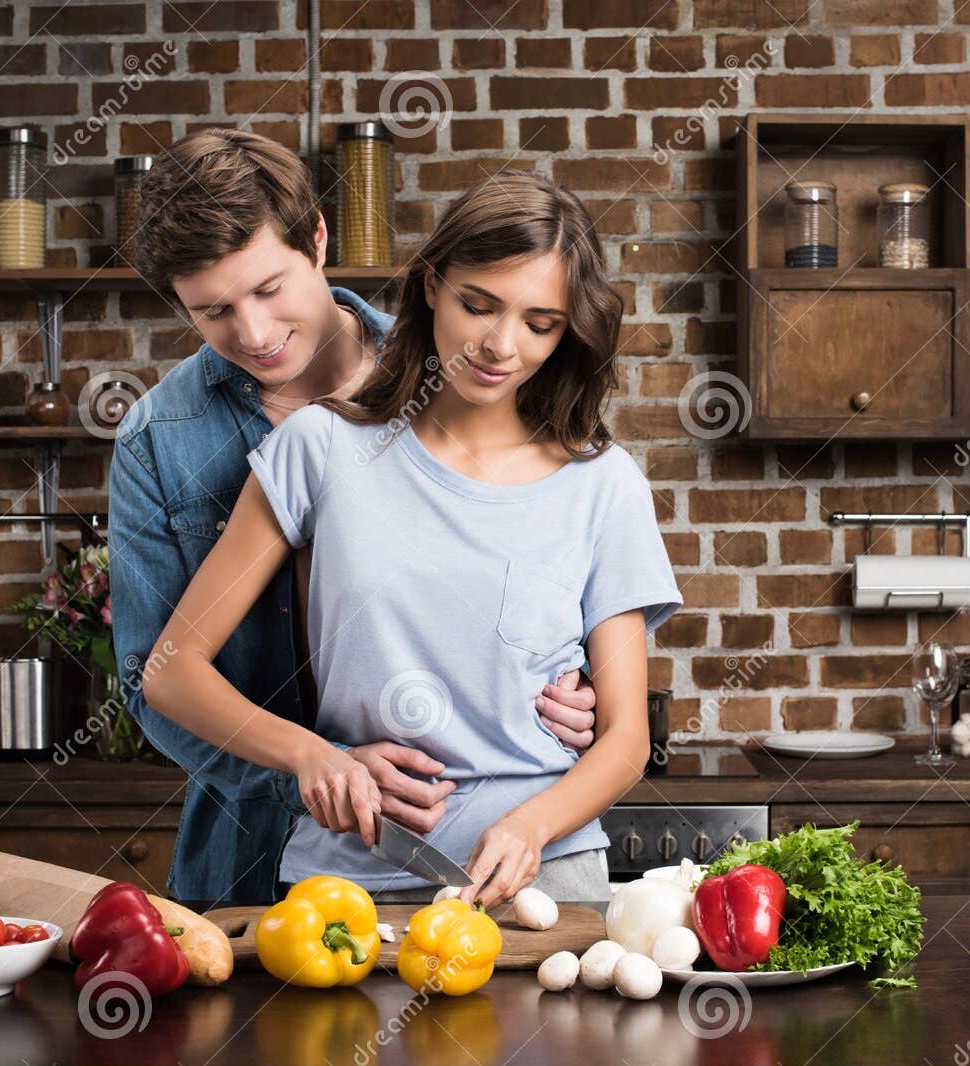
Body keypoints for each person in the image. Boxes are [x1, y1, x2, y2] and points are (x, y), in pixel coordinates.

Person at [140, 171, 681, 906]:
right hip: (345, 881)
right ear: (431, 286)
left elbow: (626, 741)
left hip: (543, 881)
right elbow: (170, 670)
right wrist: (310, 757)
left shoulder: (603, 485)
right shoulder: (318, 447)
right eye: (477, 305)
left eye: (539, 323)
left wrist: (529, 828)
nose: (500, 344)